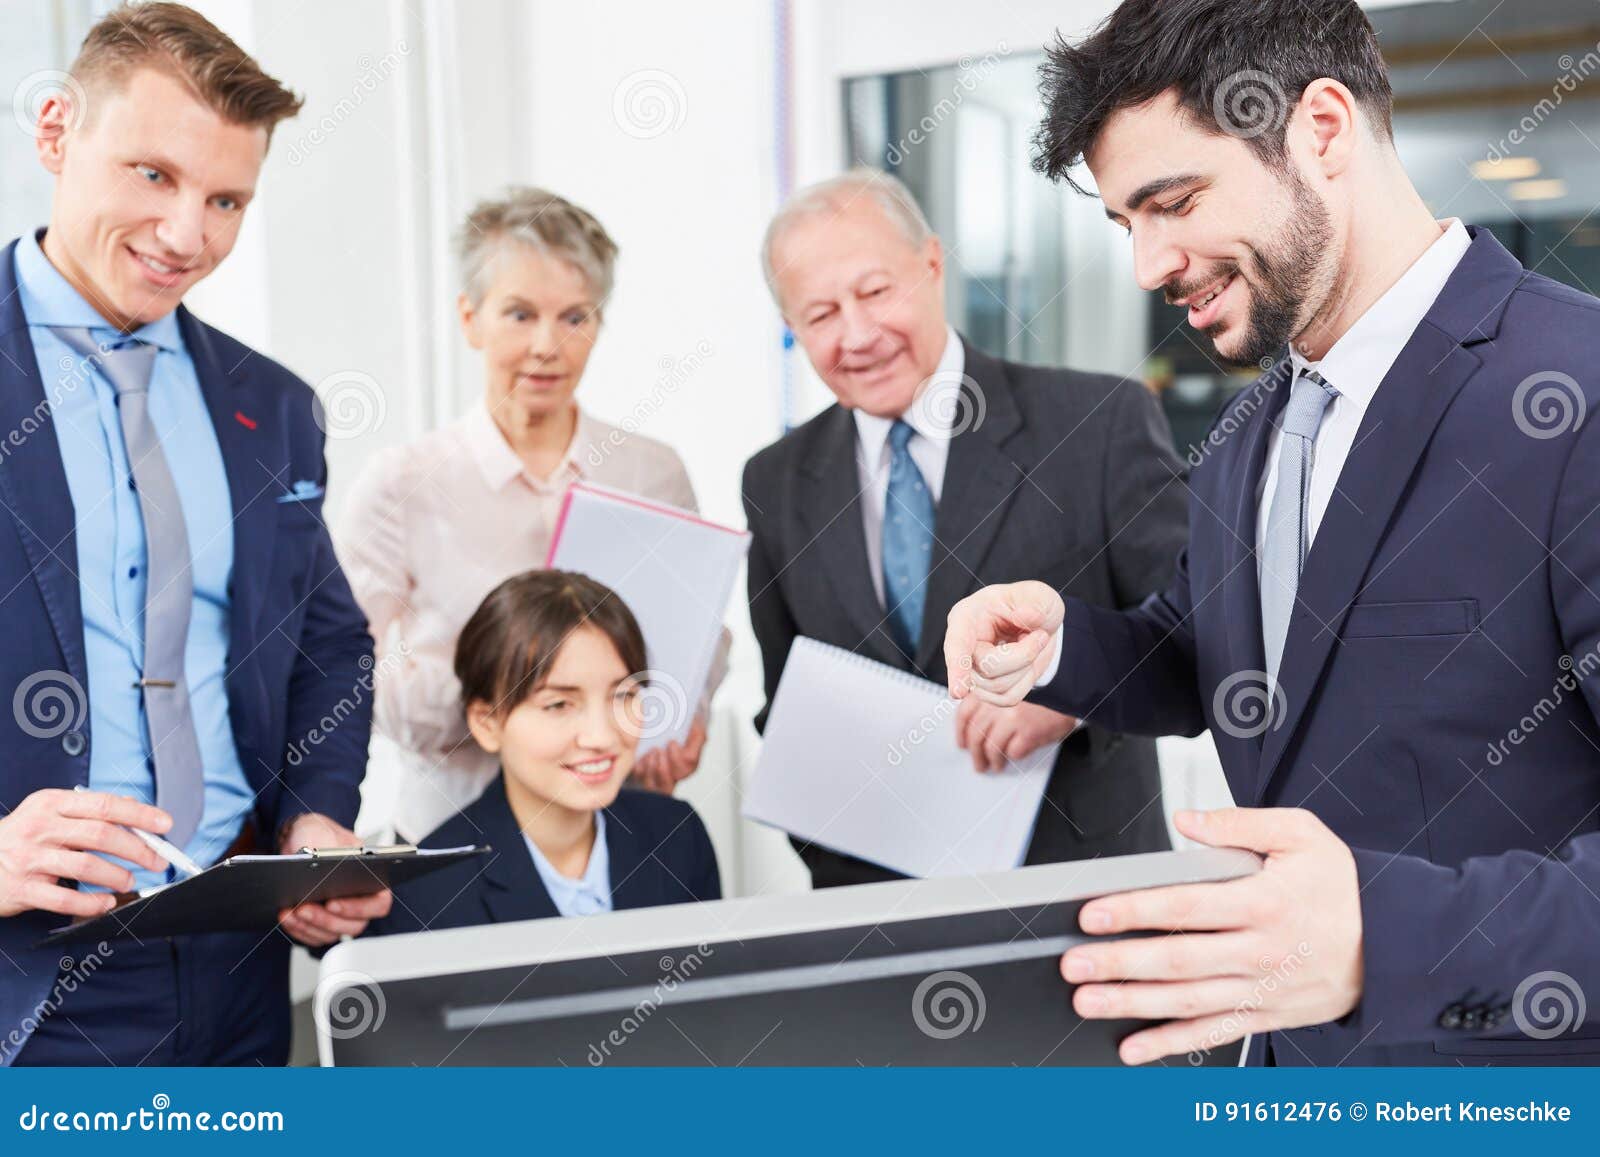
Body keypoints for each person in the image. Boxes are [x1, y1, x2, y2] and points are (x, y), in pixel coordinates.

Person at [946, 0, 1600, 1066]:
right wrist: (1063, 648)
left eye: (1173, 201)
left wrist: (1379, 939)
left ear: (1321, 130)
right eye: (1125, 224)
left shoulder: (1573, 391)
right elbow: (1235, 653)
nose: (1148, 266)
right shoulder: (1257, 418)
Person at [0, 3, 389, 1067]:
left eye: (226, 199)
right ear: (53, 135)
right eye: (152, 176)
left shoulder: (274, 405)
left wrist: (315, 819)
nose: (188, 235)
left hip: (236, 959)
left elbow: (329, 641)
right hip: (27, 979)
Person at [744, 169, 1189, 889]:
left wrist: (1067, 691)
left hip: (1083, 900)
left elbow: (1193, 640)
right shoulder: (774, 480)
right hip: (870, 916)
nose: (857, 334)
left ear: (931, 266)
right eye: (820, 314)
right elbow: (785, 704)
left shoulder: (1096, 423)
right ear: (791, 328)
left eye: (876, 291)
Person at [336, 187, 726, 842]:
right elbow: (346, 673)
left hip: (613, 832)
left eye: (575, 317)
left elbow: (700, 635)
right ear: (470, 318)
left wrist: (684, 716)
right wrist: (506, 707)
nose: (548, 345)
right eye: (519, 314)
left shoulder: (652, 472)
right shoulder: (402, 485)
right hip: (452, 841)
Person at [371, 571, 720, 934]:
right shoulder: (423, 896)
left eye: (623, 695)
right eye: (558, 705)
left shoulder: (679, 838)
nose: (601, 736)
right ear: (488, 722)